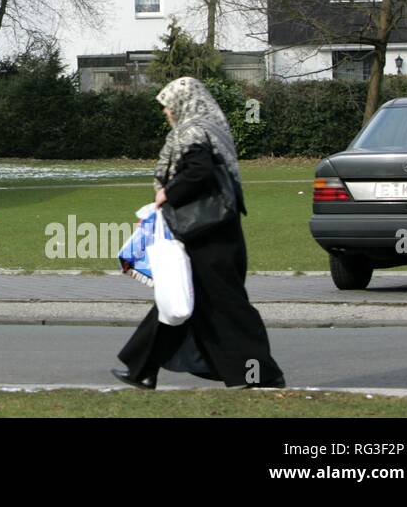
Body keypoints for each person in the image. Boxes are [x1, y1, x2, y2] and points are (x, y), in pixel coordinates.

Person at [113, 76, 286, 389]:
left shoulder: (193, 131)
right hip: (215, 230)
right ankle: (143, 369)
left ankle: (262, 375)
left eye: (168, 105)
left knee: (224, 306)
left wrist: (167, 195)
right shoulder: (212, 127)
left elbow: (199, 172)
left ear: (183, 103)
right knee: (180, 299)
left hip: (208, 235)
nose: (166, 112)